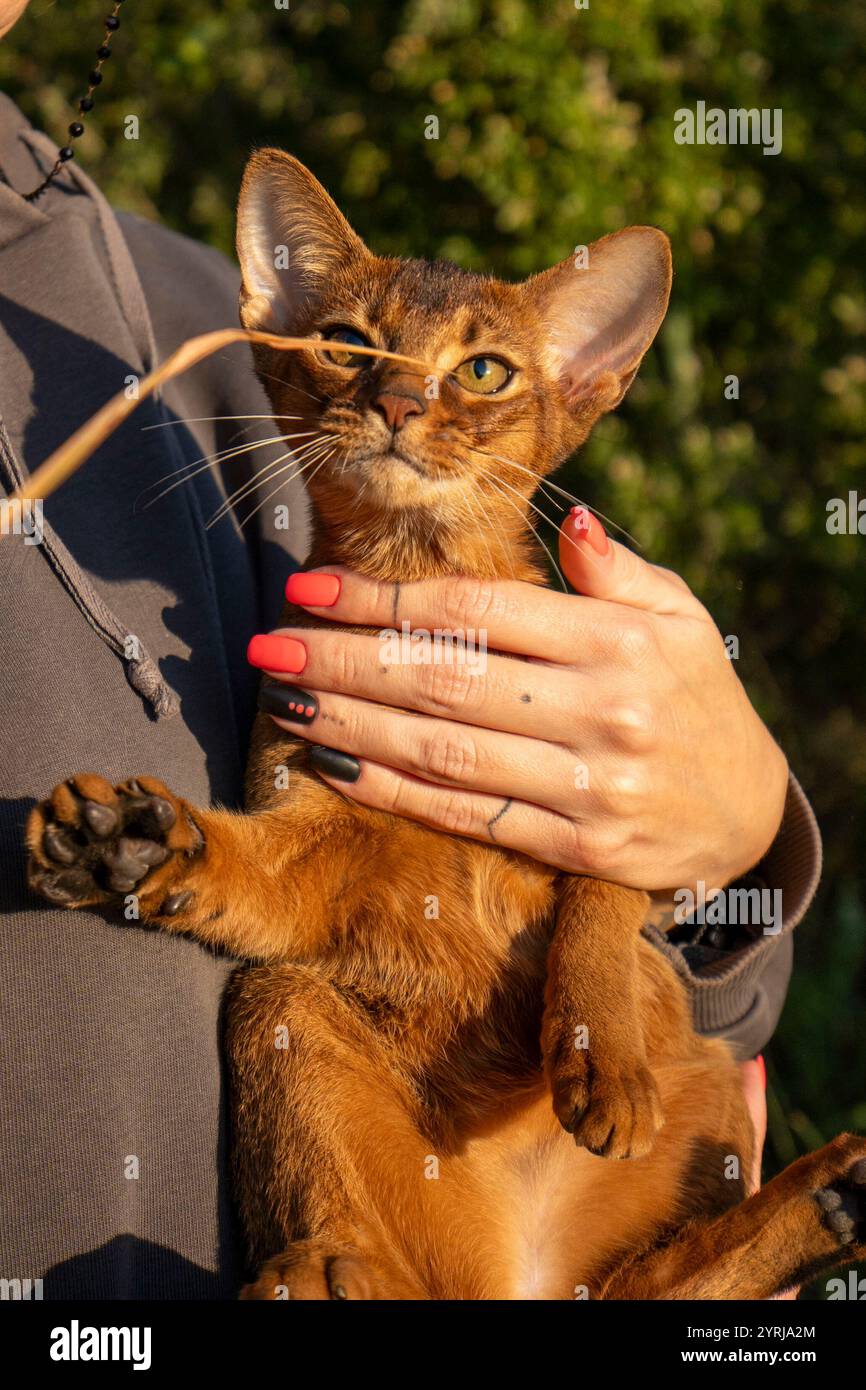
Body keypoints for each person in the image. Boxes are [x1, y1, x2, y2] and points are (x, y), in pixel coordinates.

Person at [0, 2, 820, 1298]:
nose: (399, 397)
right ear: (282, 324)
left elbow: (657, 896)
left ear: (584, 383)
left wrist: (745, 838)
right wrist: (191, 851)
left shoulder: (171, 314)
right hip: (380, 1186)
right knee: (279, 1012)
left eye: (482, 374)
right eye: (354, 350)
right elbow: (309, 891)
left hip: (589, 1160)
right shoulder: (239, 390)